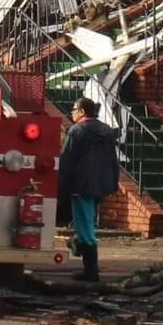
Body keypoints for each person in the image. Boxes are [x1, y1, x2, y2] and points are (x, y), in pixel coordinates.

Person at [57, 98, 120, 283]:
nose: (72, 113)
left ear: (83, 112)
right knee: (87, 222)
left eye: (74, 109)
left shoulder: (76, 131)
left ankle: (90, 272)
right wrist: (113, 182)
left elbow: (67, 161)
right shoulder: (107, 132)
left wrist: (61, 187)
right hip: (101, 184)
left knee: (85, 228)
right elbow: (113, 160)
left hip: (81, 184)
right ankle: (84, 256)